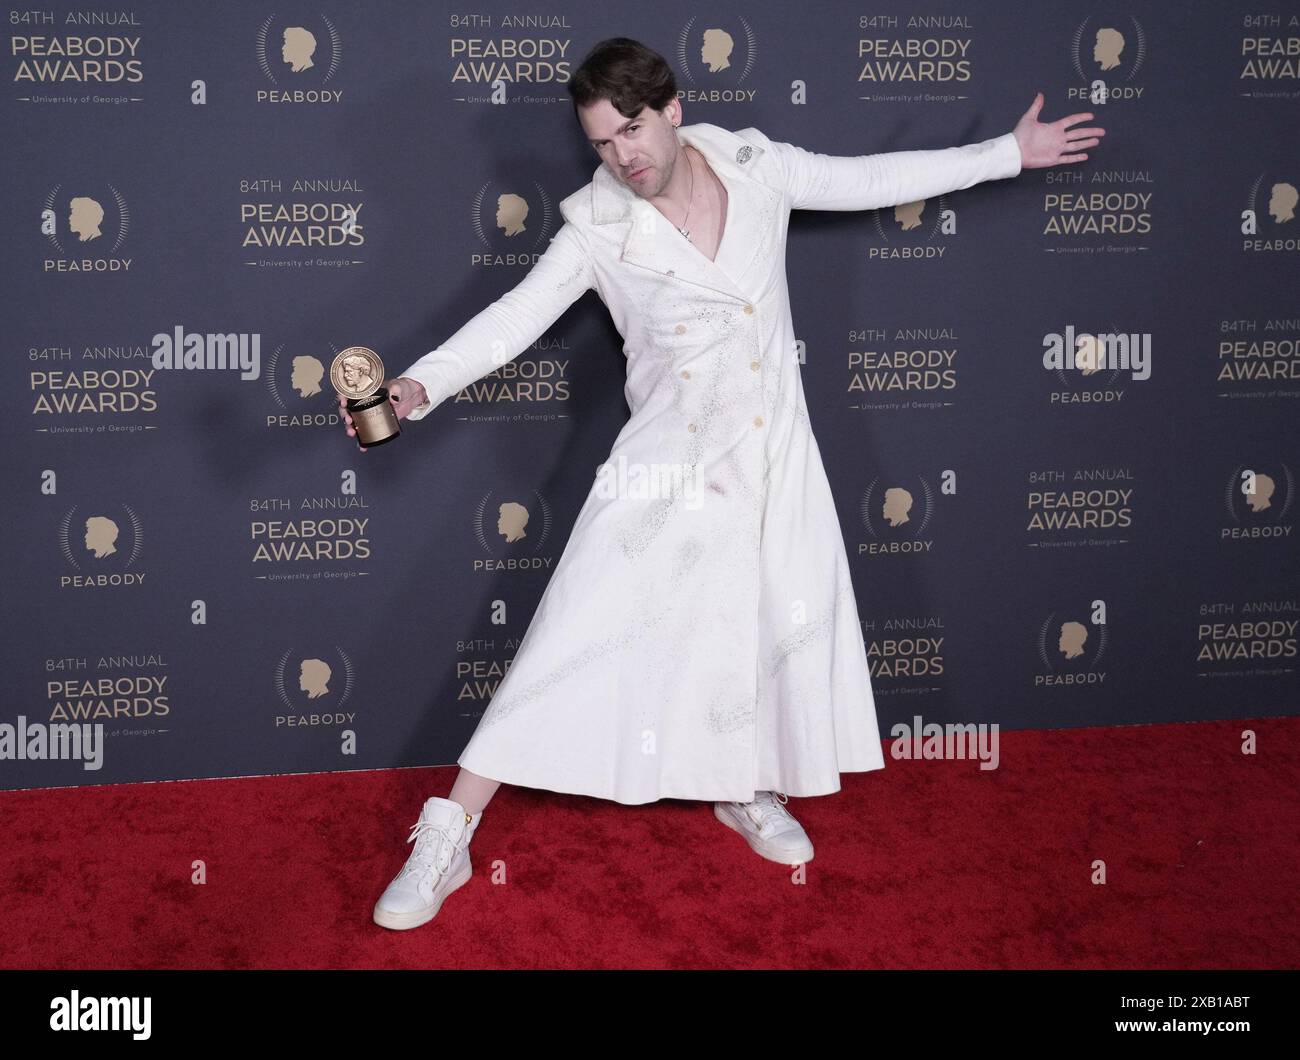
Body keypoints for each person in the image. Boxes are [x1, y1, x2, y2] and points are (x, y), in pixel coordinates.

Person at [337, 38, 1104, 932]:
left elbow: (867, 178)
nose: (625, 156)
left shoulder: (757, 165)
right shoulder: (595, 224)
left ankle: (746, 788)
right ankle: (449, 836)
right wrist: (419, 385)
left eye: (632, 129)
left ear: (671, 108)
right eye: (602, 143)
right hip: (665, 463)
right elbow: (514, 317)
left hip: (774, 454)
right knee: (568, 634)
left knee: (766, 625)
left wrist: (1007, 154)